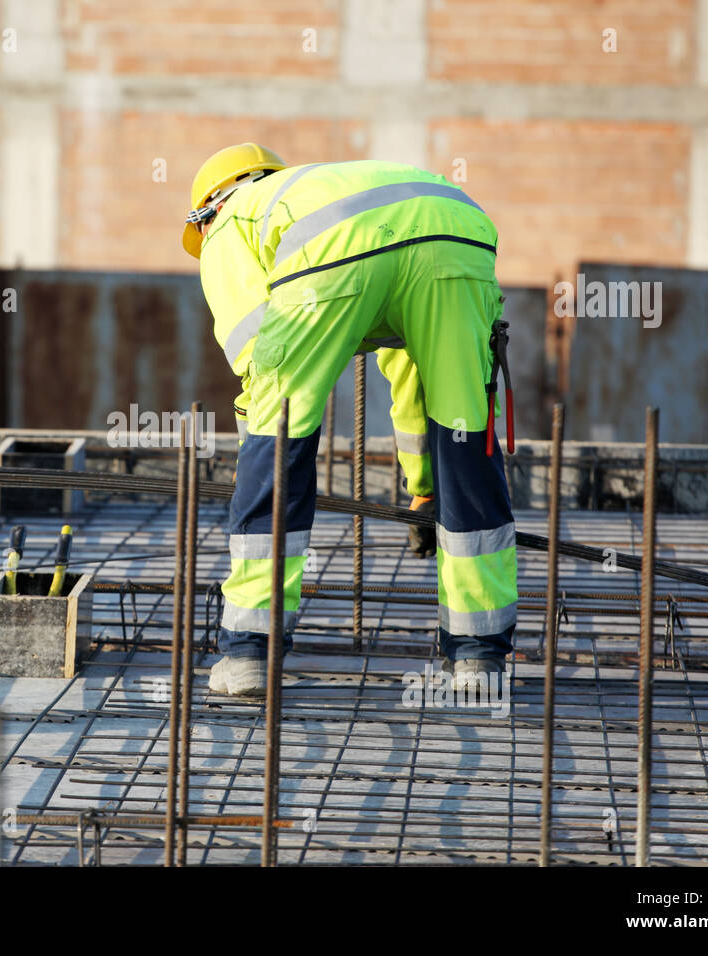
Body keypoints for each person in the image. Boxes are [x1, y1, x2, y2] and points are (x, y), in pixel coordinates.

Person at [183, 143, 515, 697]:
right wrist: (427, 492)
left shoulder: (229, 217)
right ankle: (478, 659)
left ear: (207, 207)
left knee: (280, 428)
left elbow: (254, 357)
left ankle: (249, 654)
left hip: (335, 254)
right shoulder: (317, 190)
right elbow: (415, 386)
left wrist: (262, 437)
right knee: (465, 434)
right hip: (459, 231)